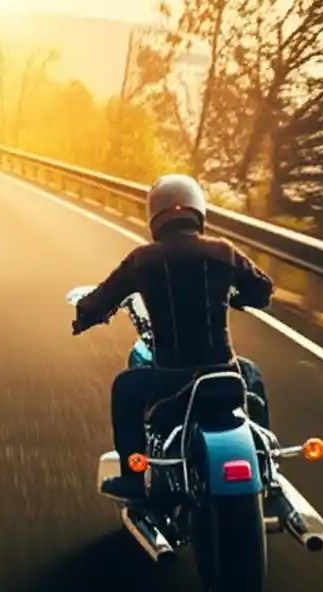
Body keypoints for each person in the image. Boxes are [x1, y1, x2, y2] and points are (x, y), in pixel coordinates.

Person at [72, 174, 274, 501]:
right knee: (253, 374)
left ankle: (133, 478)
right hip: (225, 374)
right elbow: (263, 290)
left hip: (171, 381)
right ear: (198, 211)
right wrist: (238, 298)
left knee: (125, 388)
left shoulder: (142, 259)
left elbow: (99, 301)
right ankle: (267, 465)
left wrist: (84, 316)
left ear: (155, 215)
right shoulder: (224, 252)